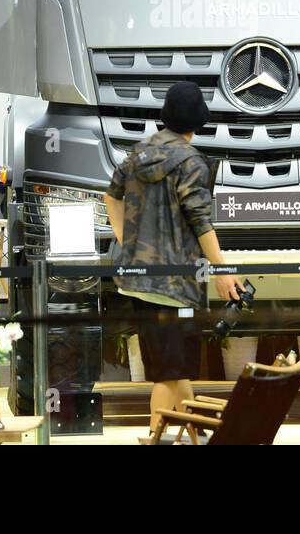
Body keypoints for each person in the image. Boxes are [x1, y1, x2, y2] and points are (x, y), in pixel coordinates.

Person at [103, 81, 244, 438]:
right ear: (198, 121)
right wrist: (224, 273)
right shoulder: (192, 163)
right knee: (168, 375)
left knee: (177, 370)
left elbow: (111, 198)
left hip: (139, 282)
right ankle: (156, 436)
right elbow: (200, 222)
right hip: (175, 285)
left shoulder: (137, 154)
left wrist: (129, 243)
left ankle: (193, 436)